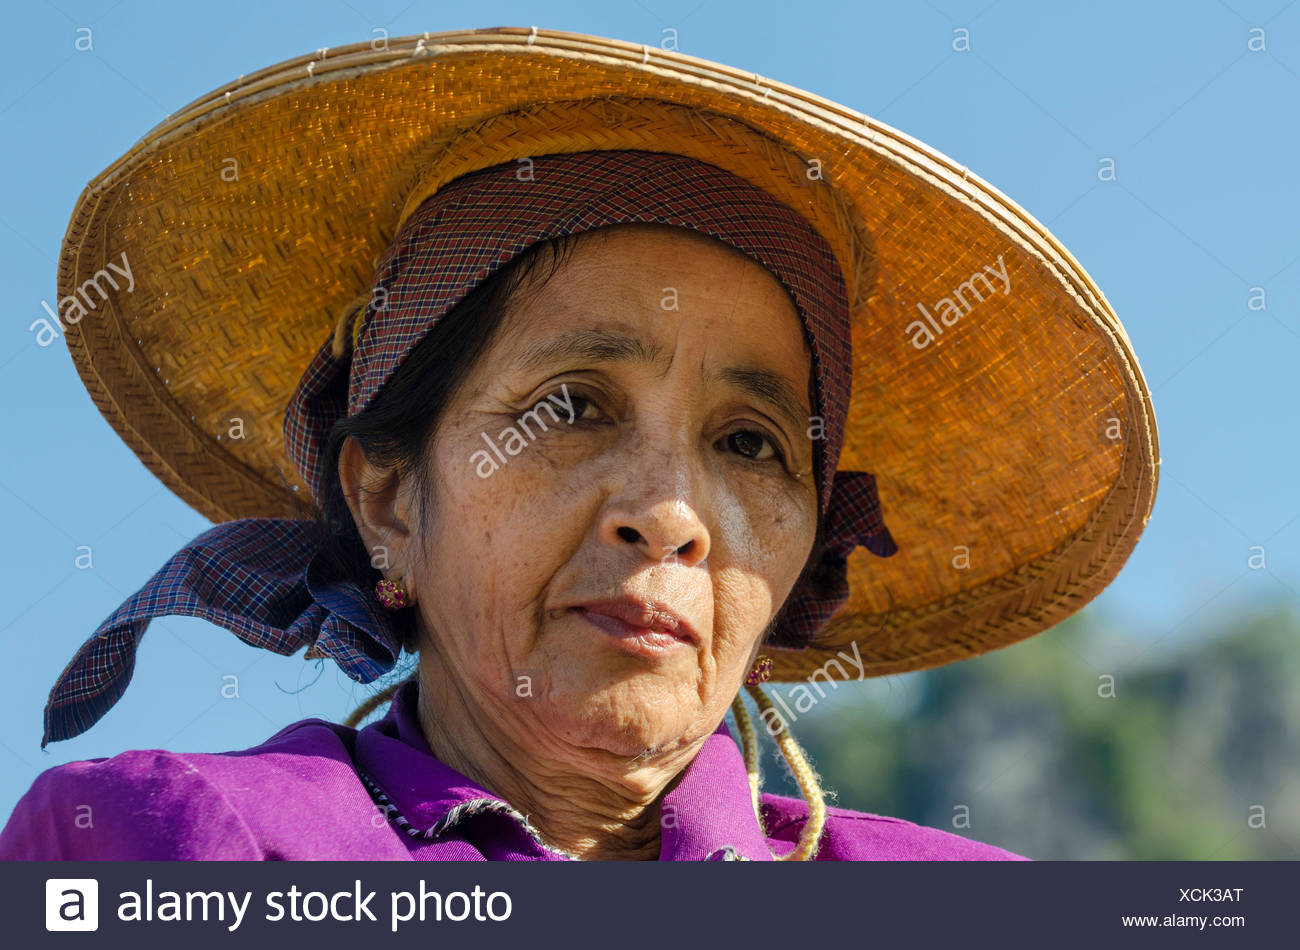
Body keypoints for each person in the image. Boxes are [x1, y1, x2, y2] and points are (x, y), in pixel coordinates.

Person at [0, 26, 1157, 861]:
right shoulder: (175, 845)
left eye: (750, 443)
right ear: (390, 499)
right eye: (574, 407)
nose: (670, 511)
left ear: (805, 553)